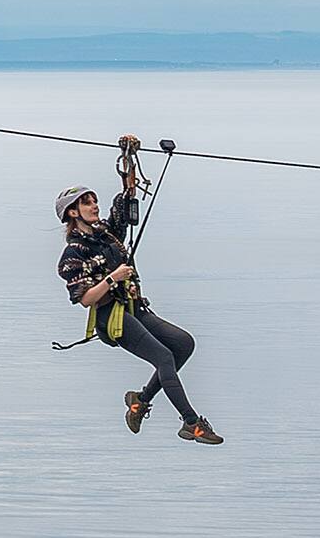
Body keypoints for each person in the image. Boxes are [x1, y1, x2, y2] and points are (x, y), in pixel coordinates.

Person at [56, 161, 220, 444]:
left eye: (95, 200)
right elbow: (85, 300)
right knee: (165, 357)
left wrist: (128, 157)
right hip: (112, 317)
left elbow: (127, 198)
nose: (94, 206)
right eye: (87, 203)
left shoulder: (107, 234)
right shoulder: (73, 253)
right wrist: (113, 277)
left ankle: (139, 401)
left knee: (184, 344)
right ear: (73, 212)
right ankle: (192, 424)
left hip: (134, 308)